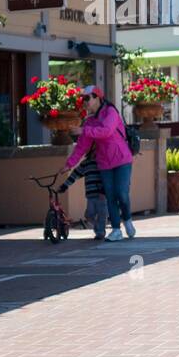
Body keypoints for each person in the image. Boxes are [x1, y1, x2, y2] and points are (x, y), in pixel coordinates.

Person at [59, 85, 134, 242]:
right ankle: (115, 230)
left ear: (98, 97)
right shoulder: (89, 121)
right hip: (104, 163)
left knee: (122, 193)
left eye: (87, 98)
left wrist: (83, 130)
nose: (85, 101)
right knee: (111, 196)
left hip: (121, 159)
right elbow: (81, 147)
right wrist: (69, 164)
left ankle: (127, 219)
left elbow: (106, 131)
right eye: (83, 99)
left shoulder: (110, 112)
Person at [58, 138, 107, 240]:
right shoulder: (86, 163)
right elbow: (74, 175)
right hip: (90, 195)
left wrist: (104, 190)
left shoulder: (102, 161)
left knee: (102, 214)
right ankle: (98, 228)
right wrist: (65, 185)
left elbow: (107, 177)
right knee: (89, 215)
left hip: (101, 194)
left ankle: (100, 232)